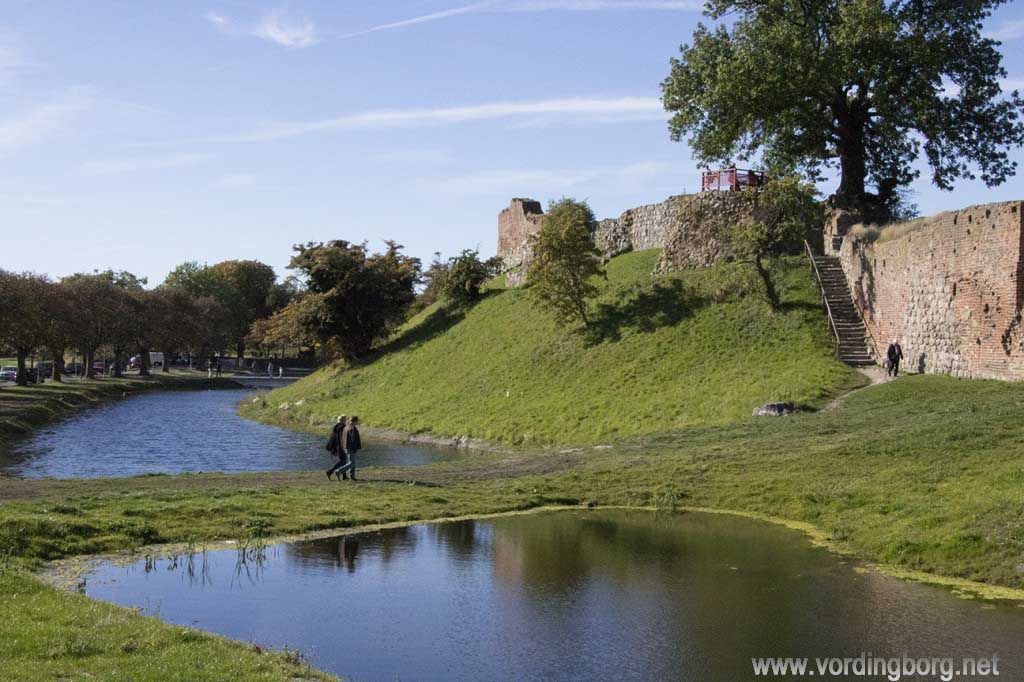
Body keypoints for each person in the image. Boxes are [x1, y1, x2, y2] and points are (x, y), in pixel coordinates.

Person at [337, 416, 362, 481]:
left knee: (352, 462)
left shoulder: (346, 427)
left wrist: (343, 447)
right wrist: (357, 447)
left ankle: (352, 477)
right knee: (352, 463)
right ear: (354, 421)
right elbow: (354, 439)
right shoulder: (352, 428)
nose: (357, 422)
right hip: (351, 447)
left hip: (346, 447)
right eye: (357, 421)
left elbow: (342, 438)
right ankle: (339, 471)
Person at [325, 416, 348, 480]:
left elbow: (333, 437)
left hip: (336, 447)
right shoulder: (342, 427)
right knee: (343, 461)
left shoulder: (336, 427)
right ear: (344, 420)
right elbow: (342, 438)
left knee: (344, 461)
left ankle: (344, 476)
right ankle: (330, 471)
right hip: (341, 447)